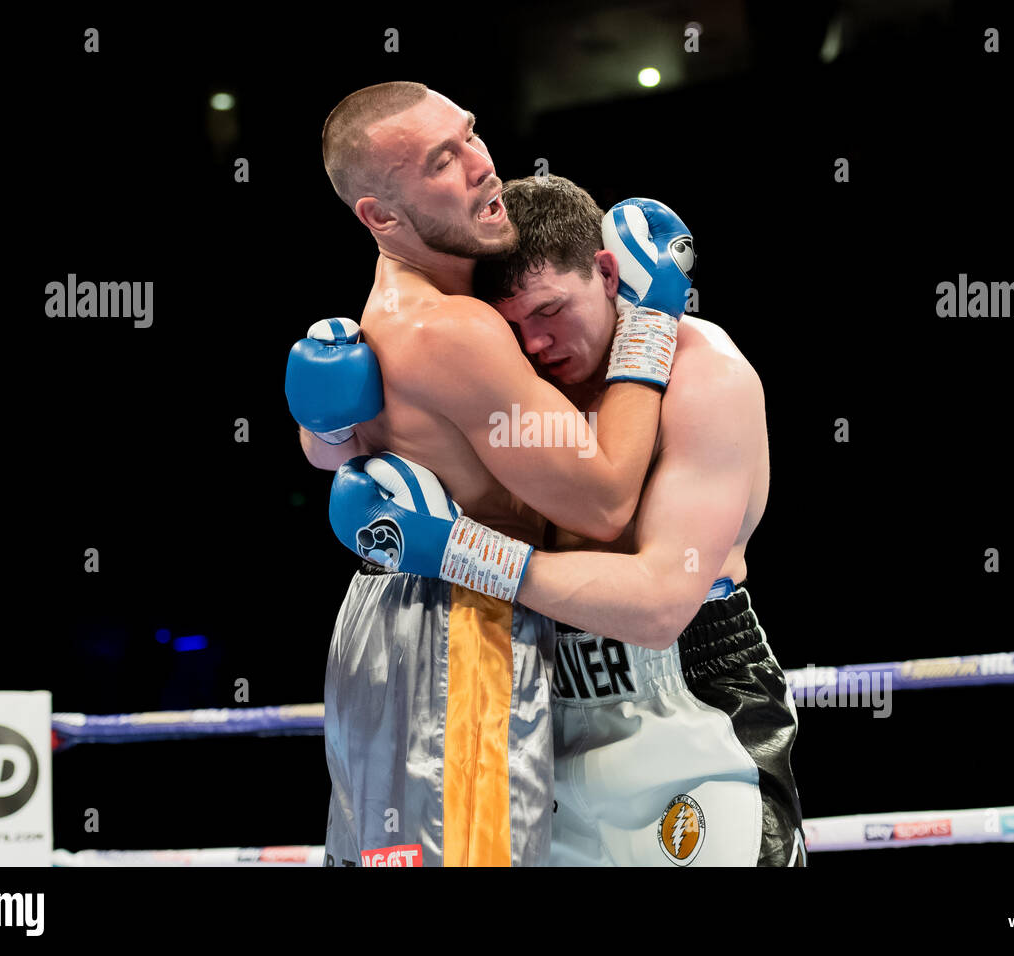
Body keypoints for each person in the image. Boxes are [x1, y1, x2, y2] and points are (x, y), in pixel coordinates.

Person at [330, 175, 804, 865]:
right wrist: (329, 422)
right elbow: (355, 455)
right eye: (511, 327)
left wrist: (457, 552)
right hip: (532, 697)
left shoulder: (705, 377)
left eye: (549, 310)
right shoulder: (516, 395)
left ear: (607, 272)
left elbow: (660, 607)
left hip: (688, 696)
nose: (536, 344)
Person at [286, 82, 690, 866]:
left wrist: (325, 433)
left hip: (415, 624)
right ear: (381, 215)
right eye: (443, 160)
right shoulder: (453, 328)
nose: (481, 166)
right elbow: (605, 499)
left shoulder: (426, 305)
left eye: (470, 136)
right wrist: (651, 321)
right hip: (460, 633)